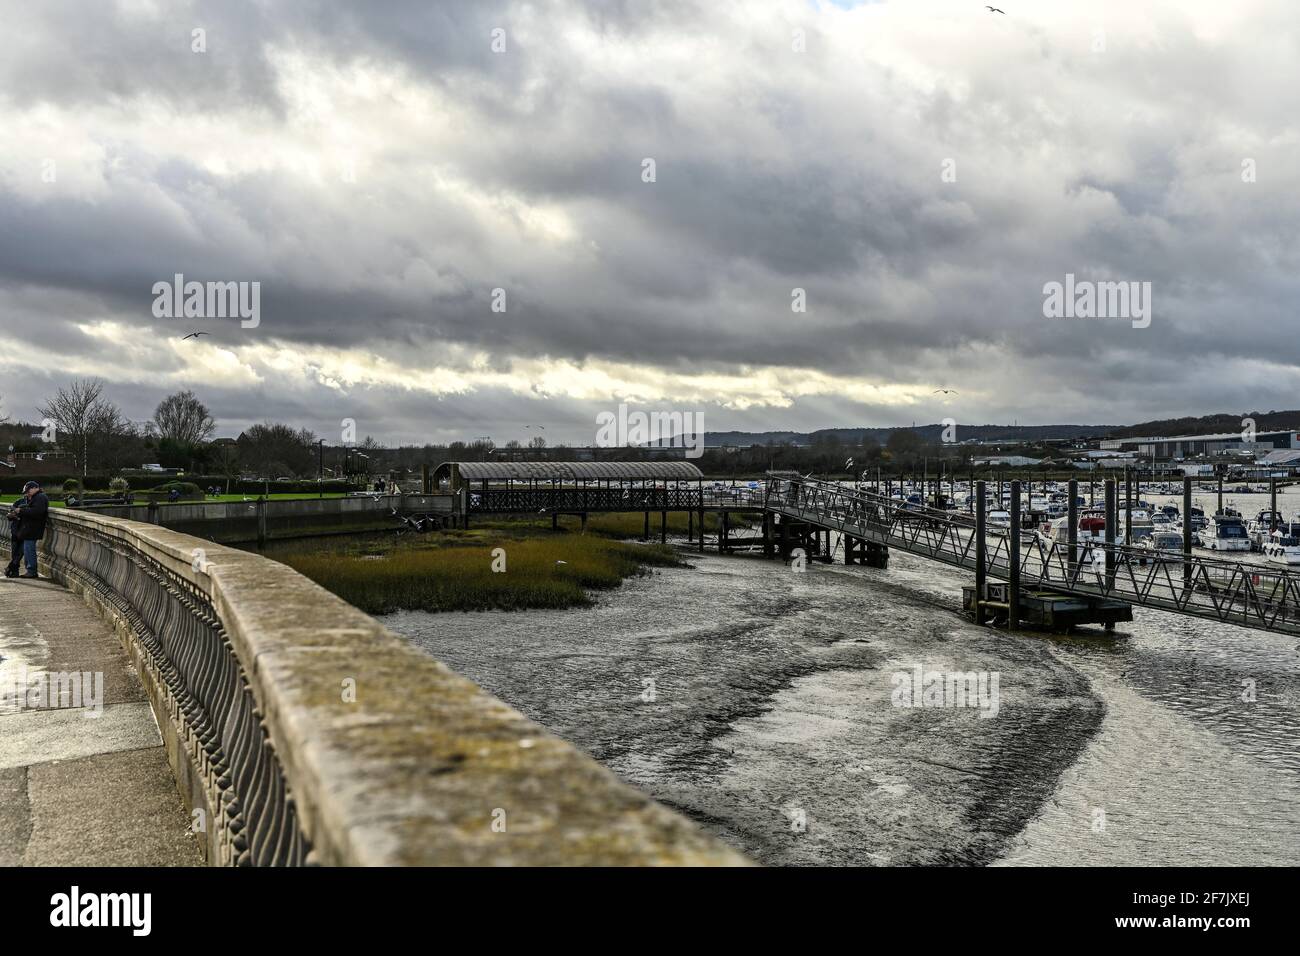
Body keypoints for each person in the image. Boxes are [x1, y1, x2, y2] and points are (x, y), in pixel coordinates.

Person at [6, 481, 50, 579]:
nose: (27, 493)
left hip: (33, 529)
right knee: (27, 550)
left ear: (35, 488)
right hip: (29, 529)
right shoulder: (37, 497)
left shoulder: (40, 497)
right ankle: (29, 571)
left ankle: (32, 571)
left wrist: (20, 510)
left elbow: (37, 512)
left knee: (29, 550)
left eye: (28, 490)